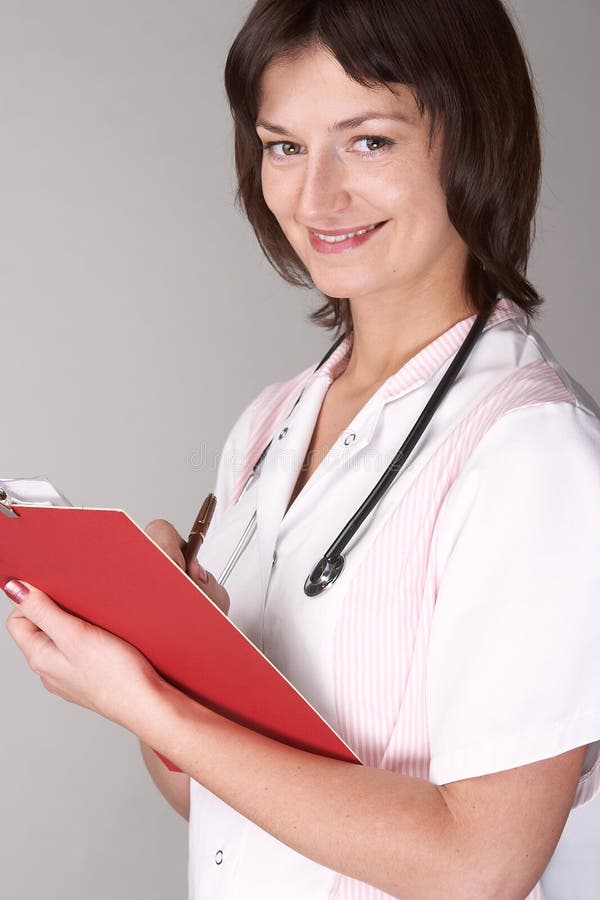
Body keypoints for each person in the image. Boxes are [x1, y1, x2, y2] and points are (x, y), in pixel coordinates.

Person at [4, 1, 600, 897]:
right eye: (284, 146)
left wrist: (147, 701)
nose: (316, 197)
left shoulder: (528, 448)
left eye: (368, 142)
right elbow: (208, 798)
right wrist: (163, 659)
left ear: (476, 140)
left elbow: (482, 866)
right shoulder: (270, 424)